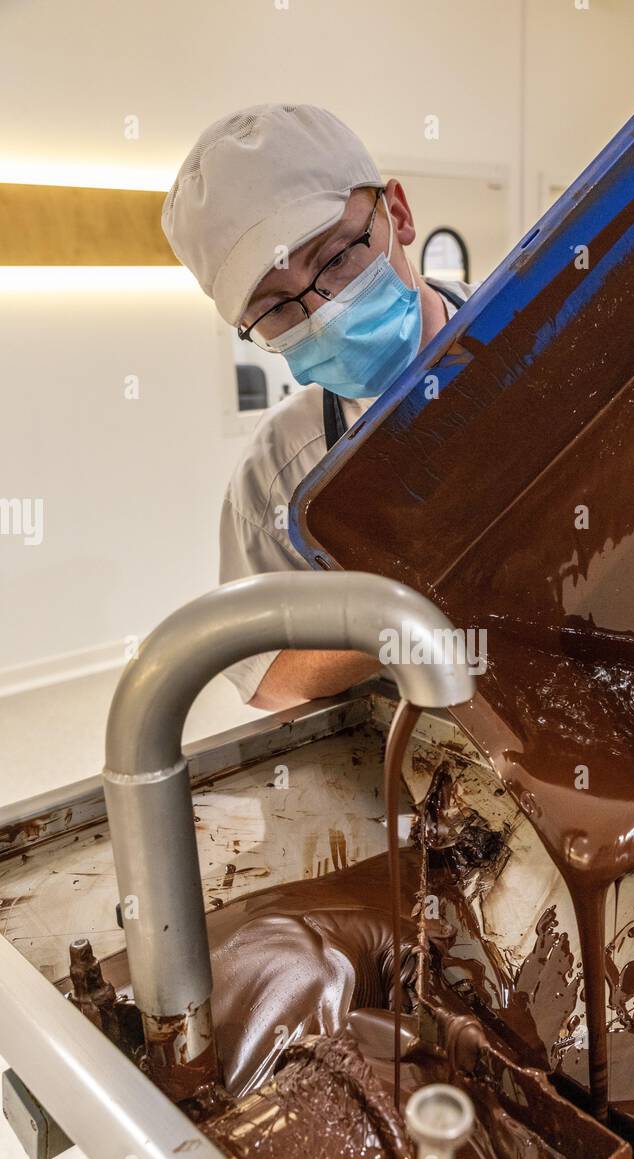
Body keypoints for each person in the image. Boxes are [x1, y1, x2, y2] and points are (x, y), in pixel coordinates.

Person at [163, 104, 474, 710]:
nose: (324, 313)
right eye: (276, 307)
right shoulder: (277, 476)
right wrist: (415, 610)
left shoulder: (547, 344)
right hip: (450, 760)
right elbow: (264, 676)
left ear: (399, 214)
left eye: (335, 258)